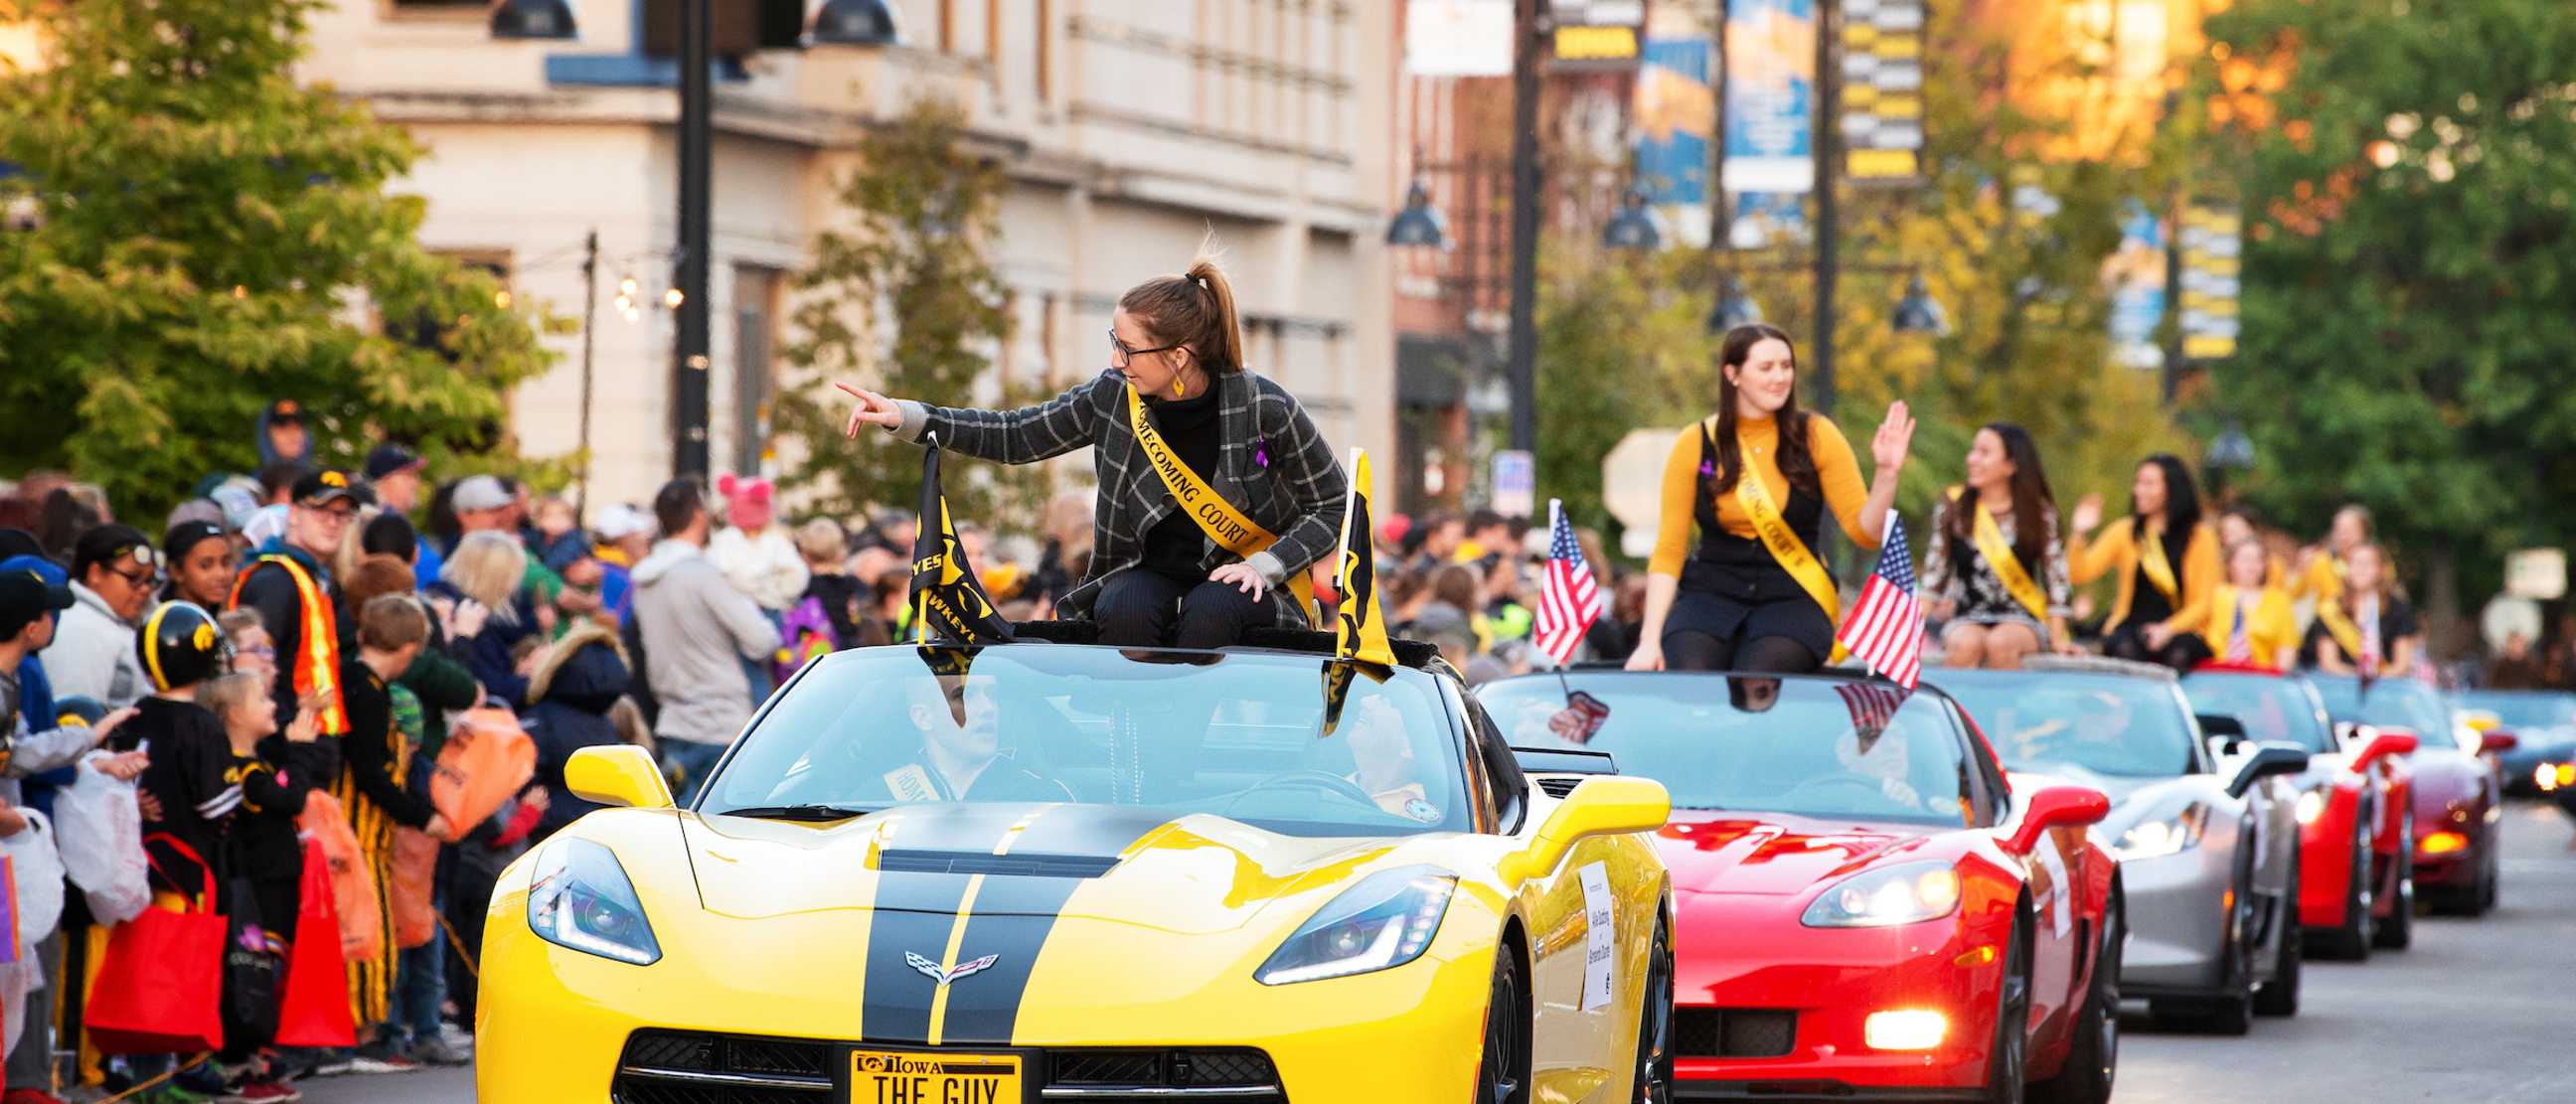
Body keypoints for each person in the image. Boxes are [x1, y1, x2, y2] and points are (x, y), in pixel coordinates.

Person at [837, 255, 1349, 649]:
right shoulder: (1112, 396)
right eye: (1114, 341)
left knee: (1212, 610)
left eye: (1127, 348)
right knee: (1122, 608)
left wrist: (1267, 565)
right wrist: (910, 417)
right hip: (1145, 570)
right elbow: (1016, 435)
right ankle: (1133, 757)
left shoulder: (1264, 405)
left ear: (1178, 356)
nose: (1115, 359)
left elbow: (1333, 503)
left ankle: (1179, 760)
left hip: (1246, 577)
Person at [1628, 323, 1914, 674]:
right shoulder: (1696, 442)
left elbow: (1864, 533)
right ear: (1732, 374)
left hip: (1793, 600)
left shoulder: (1817, 435)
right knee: (1691, 677)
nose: (1780, 377)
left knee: (1760, 683)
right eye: (1766, 368)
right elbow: (1670, 550)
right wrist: (1649, 640)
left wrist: (1887, 474)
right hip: (1710, 594)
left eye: (1786, 365)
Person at [194, 668, 335, 1101]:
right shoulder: (243, 772)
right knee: (253, 971)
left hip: (274, 881)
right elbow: (289, 796)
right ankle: (239, 1061)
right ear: (235, 713)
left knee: (268, 972)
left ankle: (255, 1056)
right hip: (258, 886)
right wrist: (300, 750)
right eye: (264, 700)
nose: (274, 706)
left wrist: (303, 727)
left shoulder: (254, 761)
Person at [329, 595, 454, 1052]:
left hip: (363, 834)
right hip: (358, 835)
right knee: (365, 938)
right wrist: (424, 817)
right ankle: (361, 1037)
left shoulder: (355, 680)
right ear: (409, 649)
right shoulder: (368, 691)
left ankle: (364, 1033)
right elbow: (371, 775)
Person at [631, 480, 780, 804]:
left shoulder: (644, 582)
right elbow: (761, 640)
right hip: (725, 724)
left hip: (674, 723)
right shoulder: (703, 575)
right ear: (700, 516)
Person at [1926, 422, 2076, 670]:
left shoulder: (2039, 512)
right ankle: (1958, 709)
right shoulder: (1953, 505)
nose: (1972, 459)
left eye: (1984, 453)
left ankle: (2005, 710)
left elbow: (2056, 577)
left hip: (2022, 621)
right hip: (1966, 618)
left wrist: (2059, 636)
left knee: (2000, 643)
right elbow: (1934, 574)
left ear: (2011, 465)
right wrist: (1909, 629)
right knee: (1966, 644)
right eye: (1973, 451)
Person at [230, 469, 364, 733]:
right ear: (292, 514)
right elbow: (254, 669)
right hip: (287, 743)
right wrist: (283, 739)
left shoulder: (311, 578)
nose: (333, 522)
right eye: (320, 510)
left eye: (341, 514)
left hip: (308, 742)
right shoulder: (276, 581)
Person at [2068, 455, 2221, 673]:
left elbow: (2204, 602)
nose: (2138, 490)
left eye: (2149, 484)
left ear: (2172, 488)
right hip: (2131, 627)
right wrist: (2079, 533)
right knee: (2125, 649)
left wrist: (2168, 629)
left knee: (2178, 655)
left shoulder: (2201, 538)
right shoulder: (2125, 532)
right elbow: (2079, 573)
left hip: (2182, 630)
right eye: (2138, 482)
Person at [870, 675, 1073, 803]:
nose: (988, 708)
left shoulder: (1045, 796)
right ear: (923, 718)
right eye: (965, 696)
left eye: (992, 695)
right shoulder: (877, 797)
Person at [519, 624, 629, 843]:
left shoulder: (541, 716)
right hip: (598, 833)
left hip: (548, 832)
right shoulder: (607, 726)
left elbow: (522, 775)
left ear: (560, 665)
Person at [51, 525, 159, 710]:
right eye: (133, 578)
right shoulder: (82, 628)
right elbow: (78, 715)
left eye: (149, 581)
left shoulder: (106, 621)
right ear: (96, 573)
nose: (145, 589)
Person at [2307, 543, 2419, 676]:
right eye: (2355, 563)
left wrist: (2374, 679)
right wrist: (2357, 678)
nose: (2361, 569)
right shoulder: (2331, 609)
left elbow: (2402, 665)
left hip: (2387, 686)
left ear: (2381, 570)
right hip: (2342, 684)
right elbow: (2329, 663)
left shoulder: (2398, 609)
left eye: (2367, 564)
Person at [2204, 537, 2300, 671]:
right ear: (2230, 563)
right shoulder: (2215, 595)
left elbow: (2287, 647)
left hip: (2262, 676)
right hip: (2218, 673)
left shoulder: (2278, 599)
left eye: (2258, 559)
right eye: (2245, 559)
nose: (2252, 564)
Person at [161, 518, 236, 611]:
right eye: (206, 566)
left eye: (226, 563)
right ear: (175, 571)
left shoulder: (230, 613)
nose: (221, 575)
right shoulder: (161, 621)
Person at [255, 398, 312, 468]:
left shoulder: (320, 478)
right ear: (267, 435)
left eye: (298, 427)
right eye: (283, 427)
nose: (293, 433)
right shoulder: (255, 479)